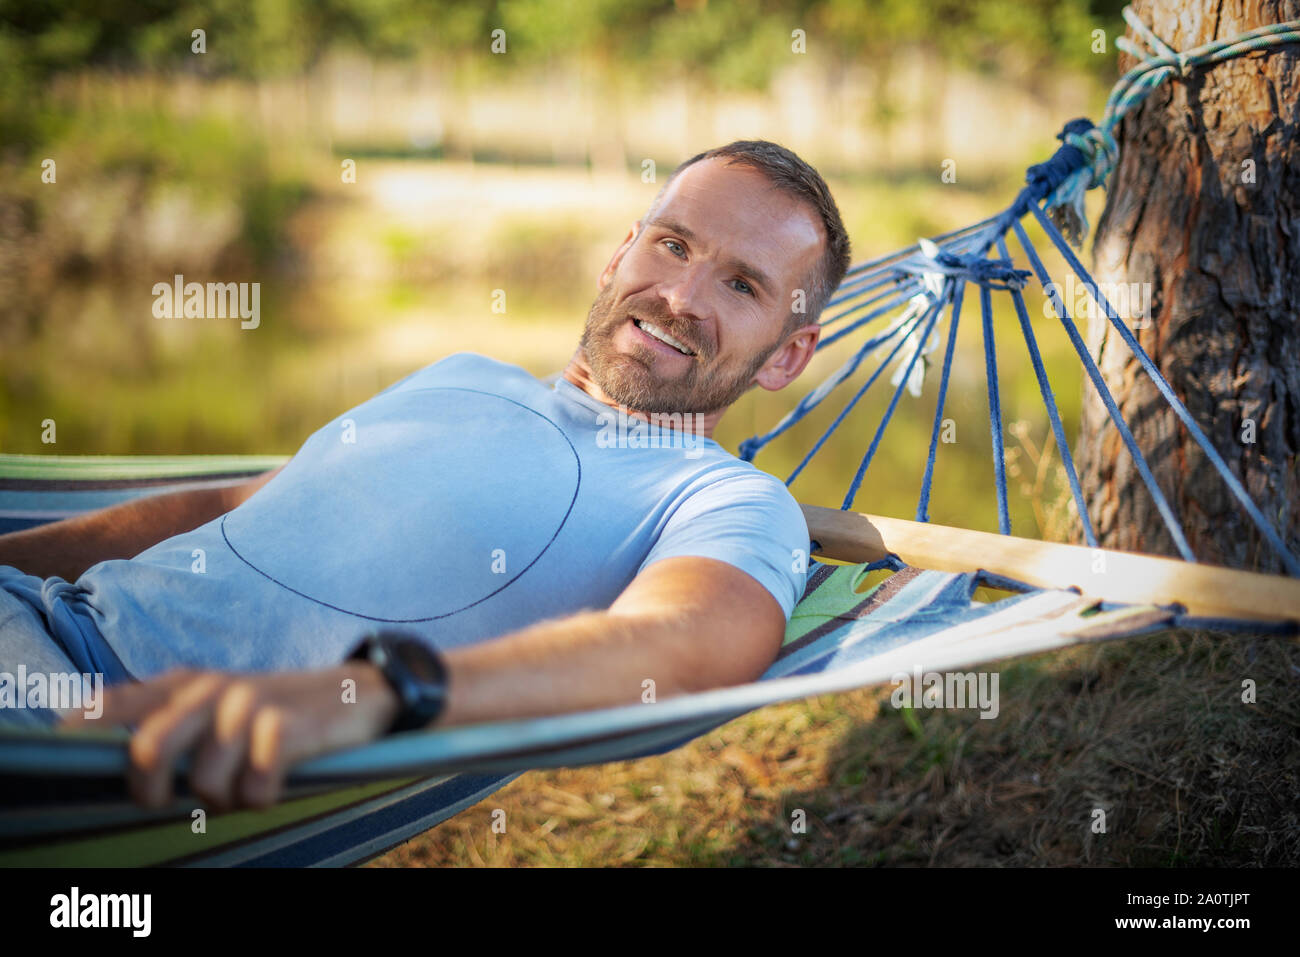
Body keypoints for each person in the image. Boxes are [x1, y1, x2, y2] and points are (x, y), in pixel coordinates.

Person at [0, 139, 851, 811]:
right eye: (672, 245)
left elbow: (675, 646)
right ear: (618, 256)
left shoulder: (728, 498)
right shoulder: (461, 373)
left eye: (741, 285)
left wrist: (374, 694)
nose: (680, 295)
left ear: (789, 354)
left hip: (142, 746)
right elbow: (234, 505)